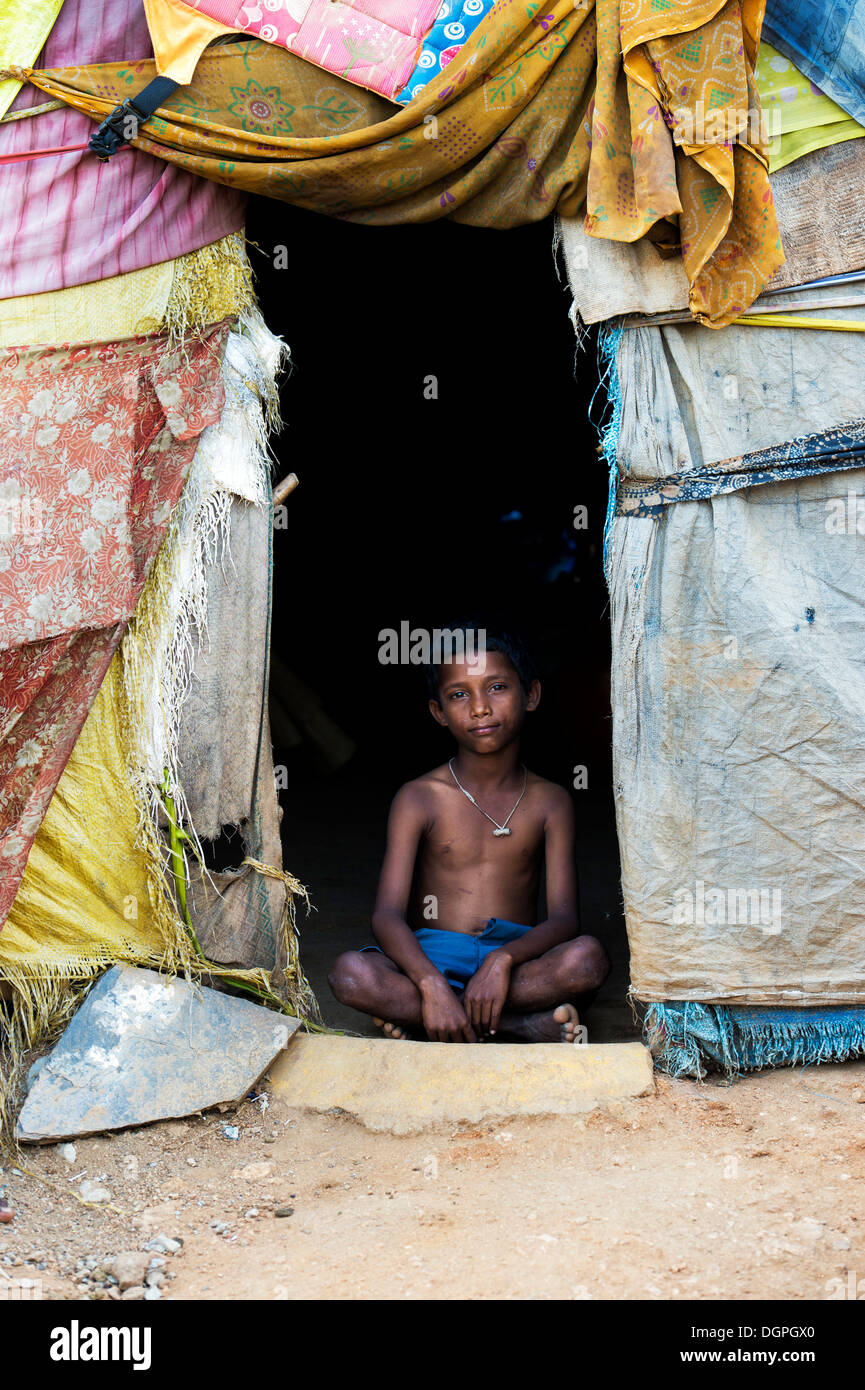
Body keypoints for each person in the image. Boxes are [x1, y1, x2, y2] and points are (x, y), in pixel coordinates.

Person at [329, 621, 610, 1042]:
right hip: (432, 955)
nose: (480, 707)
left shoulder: (551, 801)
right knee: (352, 975)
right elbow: (387, 916)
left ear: (530, 695)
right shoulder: (419, 797)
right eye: (459, 694)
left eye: (497, 687)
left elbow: (566, 918)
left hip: (516, 960)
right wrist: (428, 983)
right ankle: (517, 1025)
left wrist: (502, 961)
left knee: (587, 960)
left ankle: (434, 1021)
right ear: (438, 712)